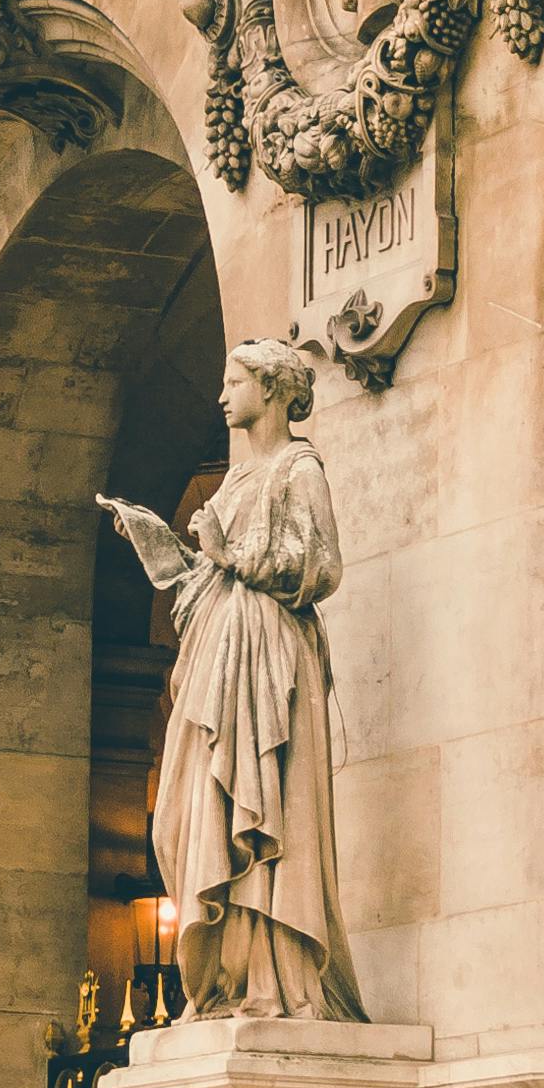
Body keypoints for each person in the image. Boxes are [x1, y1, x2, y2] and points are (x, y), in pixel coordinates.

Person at [100, 338, 366, 1020]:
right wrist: (162, 549)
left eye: (234, 380)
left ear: (273, 388)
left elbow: (319, 565)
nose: (221, 396)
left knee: (257, 807)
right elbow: (209, 573)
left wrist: (231, 555)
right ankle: (223, 978)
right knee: (186, 816)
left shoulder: (296, 467)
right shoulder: (238, 478)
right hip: (220, 653)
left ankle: (268, 978)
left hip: (264, 660)